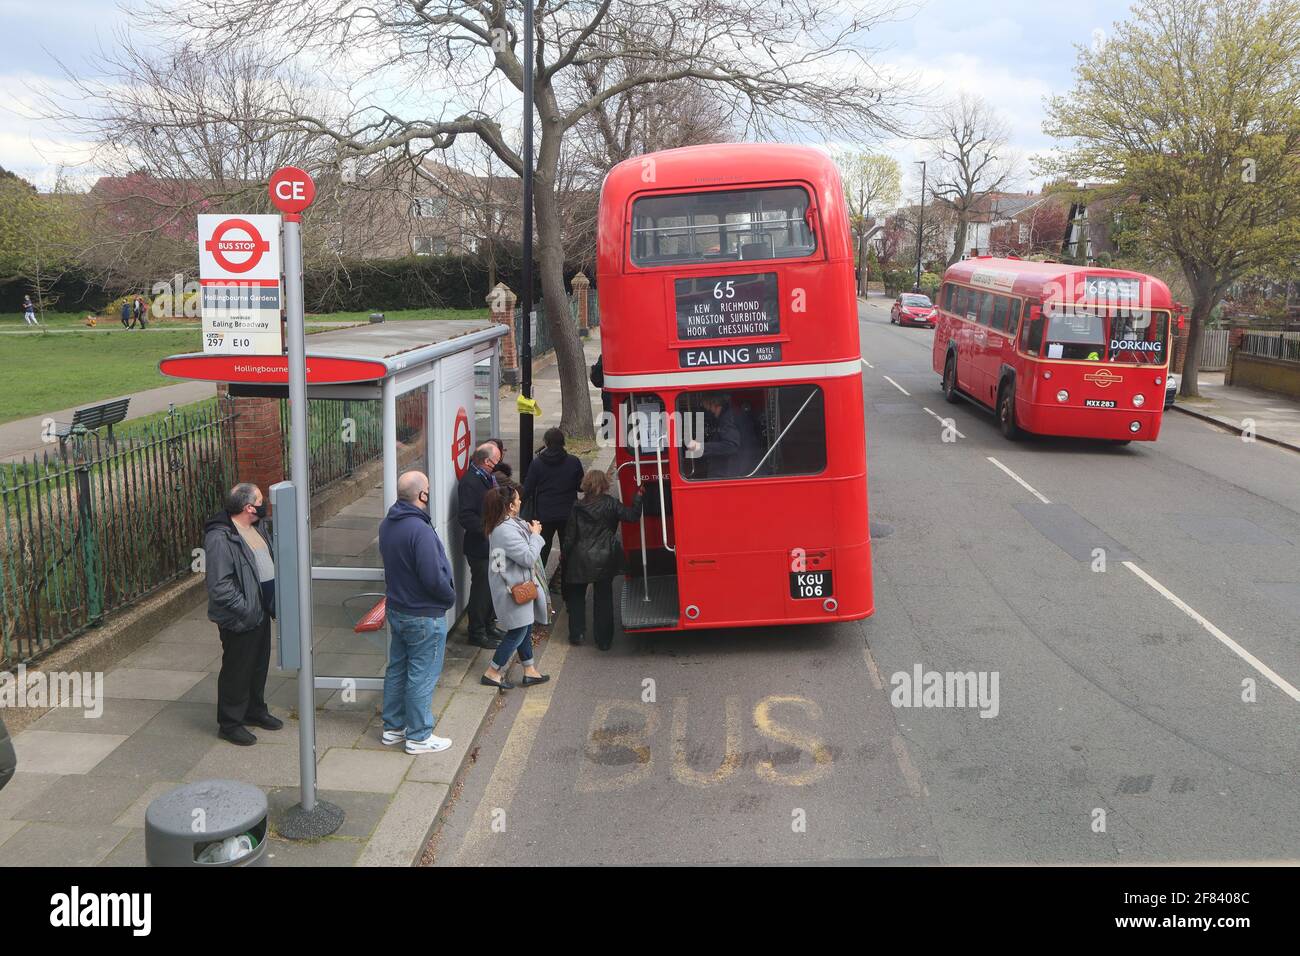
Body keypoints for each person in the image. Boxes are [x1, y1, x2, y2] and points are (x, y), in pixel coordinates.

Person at [378, 470, 456, 755]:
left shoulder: (388, 524)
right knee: (422, 675)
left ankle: (393, 728)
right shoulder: (420, 531)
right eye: (428, 490)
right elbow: (432, 577)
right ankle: (420, 736)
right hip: (423, 615)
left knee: (397, 669)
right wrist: (449, 596)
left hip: (398, 610)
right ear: (422, 495)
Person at [203, 483, 281, 746]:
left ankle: (254, 710)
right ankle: (230, 722)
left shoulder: (256, 526)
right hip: (241, 617)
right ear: (249, 507)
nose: (264, 502)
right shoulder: (220, 537)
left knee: (258, 665)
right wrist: (248, 608)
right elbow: (220, 586)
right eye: (260, 499)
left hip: (260, 612)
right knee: (237, 669)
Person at [561, 470, 642, 649]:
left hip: (579, 557)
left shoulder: (577, 506)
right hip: (605, 557)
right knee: (604, 599)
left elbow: (570, 536)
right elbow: (632, 516)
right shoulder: (611, 504)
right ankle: (604, 640)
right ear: (605, 484)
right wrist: (638, 497)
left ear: (586, 485)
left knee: (576, 597)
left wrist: (564, 555)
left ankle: (577, 633)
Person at [481, 483, 551, 690]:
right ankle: (492, 671)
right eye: (517, 499)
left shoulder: (507, 524)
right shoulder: (504, 530)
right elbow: (528, 558)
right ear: (510, 506)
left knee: (525, 626)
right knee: (517, 631)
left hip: (516, 585)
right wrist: (536, 535)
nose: (520, 501)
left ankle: (529, 670)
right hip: (512, 589)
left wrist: (530, 532)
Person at [521, 427, 583, 591]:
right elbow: (580, 486)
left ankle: (539, 587)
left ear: (546, 443)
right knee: (568, 552)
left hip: (544, 514)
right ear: (563, 442)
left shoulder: (537, 464)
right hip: (567, 514)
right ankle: (567, 588)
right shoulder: (573, 461)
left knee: (541, 553)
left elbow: (527, 489)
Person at [457, 443, 504, 649]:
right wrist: (489, 530)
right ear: (486, 462)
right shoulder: (470, 483)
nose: (497, 466)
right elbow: (466, 517)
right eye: (495, 462)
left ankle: (488, 623)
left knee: (494, 588)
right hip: (480, 547)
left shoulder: (486, 477)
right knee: (482, 591)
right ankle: (476, 632)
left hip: (494, 545)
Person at [685, 392, 762, 479]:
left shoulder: (727, 418)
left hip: (732, 472)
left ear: (712, 403)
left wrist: (700, 446)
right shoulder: (732, 414)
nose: (709, 411)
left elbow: (731, 446)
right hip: (739, 470)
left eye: (707, 407)